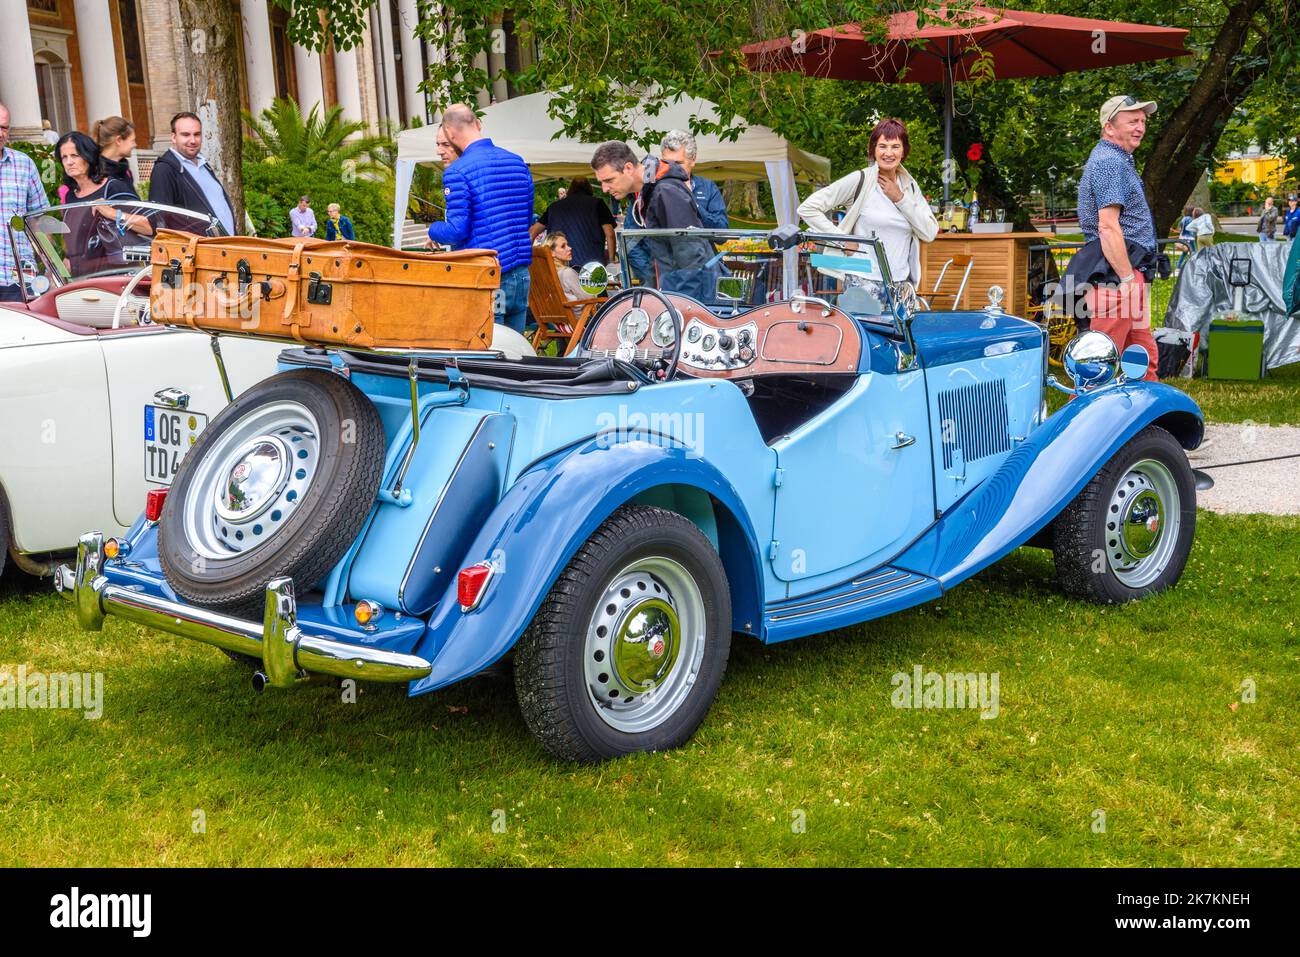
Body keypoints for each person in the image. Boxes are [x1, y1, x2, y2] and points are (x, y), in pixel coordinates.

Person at [1073, 95, 1161, 381]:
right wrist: (1126, 280)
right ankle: (1084, 425)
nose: (1140, 127)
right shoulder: (1109, 162)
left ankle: (1151, 422)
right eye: (1132, 121)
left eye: (1143, 121)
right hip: (1116, 274)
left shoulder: (1118, 159)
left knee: (1142, 356)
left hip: (1124, 271)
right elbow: (1108, 226)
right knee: (1099, 364)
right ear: (1109, 128)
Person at [427, 104, 534, 332]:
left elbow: (457, 230)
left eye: (444, 142)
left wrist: (432, 230)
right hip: (521, 274)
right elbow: (526, 220)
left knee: (489, 354)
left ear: (451, 132)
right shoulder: (517, 161)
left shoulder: (457, 172)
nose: (439, 150)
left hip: (490, 278)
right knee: (515, 352)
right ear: (478, 124)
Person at [797, 118, 938, 290]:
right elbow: (807, 208)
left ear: (904, 150)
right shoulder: (861, 180)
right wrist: (842, 241)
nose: (889, 153)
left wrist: (900, 198)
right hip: (862, 281)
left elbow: (929, 233)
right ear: (873, 149)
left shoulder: (910, 187)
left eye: (895, 146)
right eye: (882, 146)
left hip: (901, 285)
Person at [591, 140, 711, 295]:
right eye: (601, 182)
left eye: (609, 180)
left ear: (628, 168)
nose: (605, 189)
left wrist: (678, 305)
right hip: (671, 291)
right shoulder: (646, 192)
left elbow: (691, 257)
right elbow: (659, 253)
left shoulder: (666, 192)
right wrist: (650, 289)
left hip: (690, 297)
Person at [56, 131, 150, 276]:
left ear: (89, 156)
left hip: (119, 275)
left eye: (75, 155)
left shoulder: (113, 187)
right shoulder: (70, 195)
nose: (69, 162)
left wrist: (112, 213)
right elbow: (74, 242)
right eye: (64, 157)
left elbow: (147, 226)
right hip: (84, 278)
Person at [147, 111, 236, 234]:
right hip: (198, 250)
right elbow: (160, 221)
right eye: (186, 135)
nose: (193, 140)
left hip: (228, 246)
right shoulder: (164, 169)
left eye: (197, 134)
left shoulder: (205, 165)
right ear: (173, 137)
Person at [0, 101, 49, 302]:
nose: (0, 133)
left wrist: (50, 266)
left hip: (19, 277)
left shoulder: (24, 164)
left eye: (4, 127)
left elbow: (39, 220)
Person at [529, 176, 615, 266]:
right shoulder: (598, 204)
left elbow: (532, 232)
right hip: (591, 266)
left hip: (558, 266)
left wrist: (529, 260)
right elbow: (610, 234)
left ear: (570, 189)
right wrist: (611, 261)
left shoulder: (554, 207)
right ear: (589, 188)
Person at [660, 129, 729, 229]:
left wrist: (692, 202)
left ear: (693, 159)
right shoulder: (651, 186)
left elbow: (722, 231)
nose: (672, 168)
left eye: (678, 163)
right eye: (667, 163)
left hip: (701, 244)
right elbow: (633, 235)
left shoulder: (707, 187)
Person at [544, 231, 586, 326]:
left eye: (567, 245)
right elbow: (588, 298)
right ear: (551, 252)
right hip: (579, 322)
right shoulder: (566, 273)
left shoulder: (547, 274)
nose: (569, 248)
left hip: (559, 324)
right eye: (563, 246)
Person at [93, 116, 136, 187]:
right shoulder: (94, 173)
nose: (135, 145)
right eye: (132, 141)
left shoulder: (126, 172)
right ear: (118, 140)